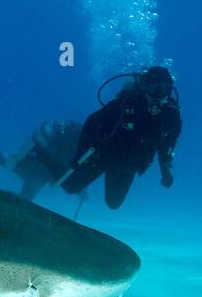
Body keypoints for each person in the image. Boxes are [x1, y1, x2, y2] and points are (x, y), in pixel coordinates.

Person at [60, 65, 181, 209]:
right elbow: (92, 122)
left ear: (170, 90)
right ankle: (48, 151)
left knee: (113, 203)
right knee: (68, 187)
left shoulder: (171, 116)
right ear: (145, 85)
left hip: (129, 166)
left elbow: (168, 144)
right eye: (154, 87)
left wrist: (166, 169)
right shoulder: (126, 103)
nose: (158, 93)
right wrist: (80, 153)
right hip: (101, 156)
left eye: (164, 88)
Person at [0, 120, 82, 202]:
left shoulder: (75, 143)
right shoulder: (75, 146)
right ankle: (4, 207)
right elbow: (64, 166)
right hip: (41, 170)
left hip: (38, 165)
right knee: (25, 197)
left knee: (11, 165)